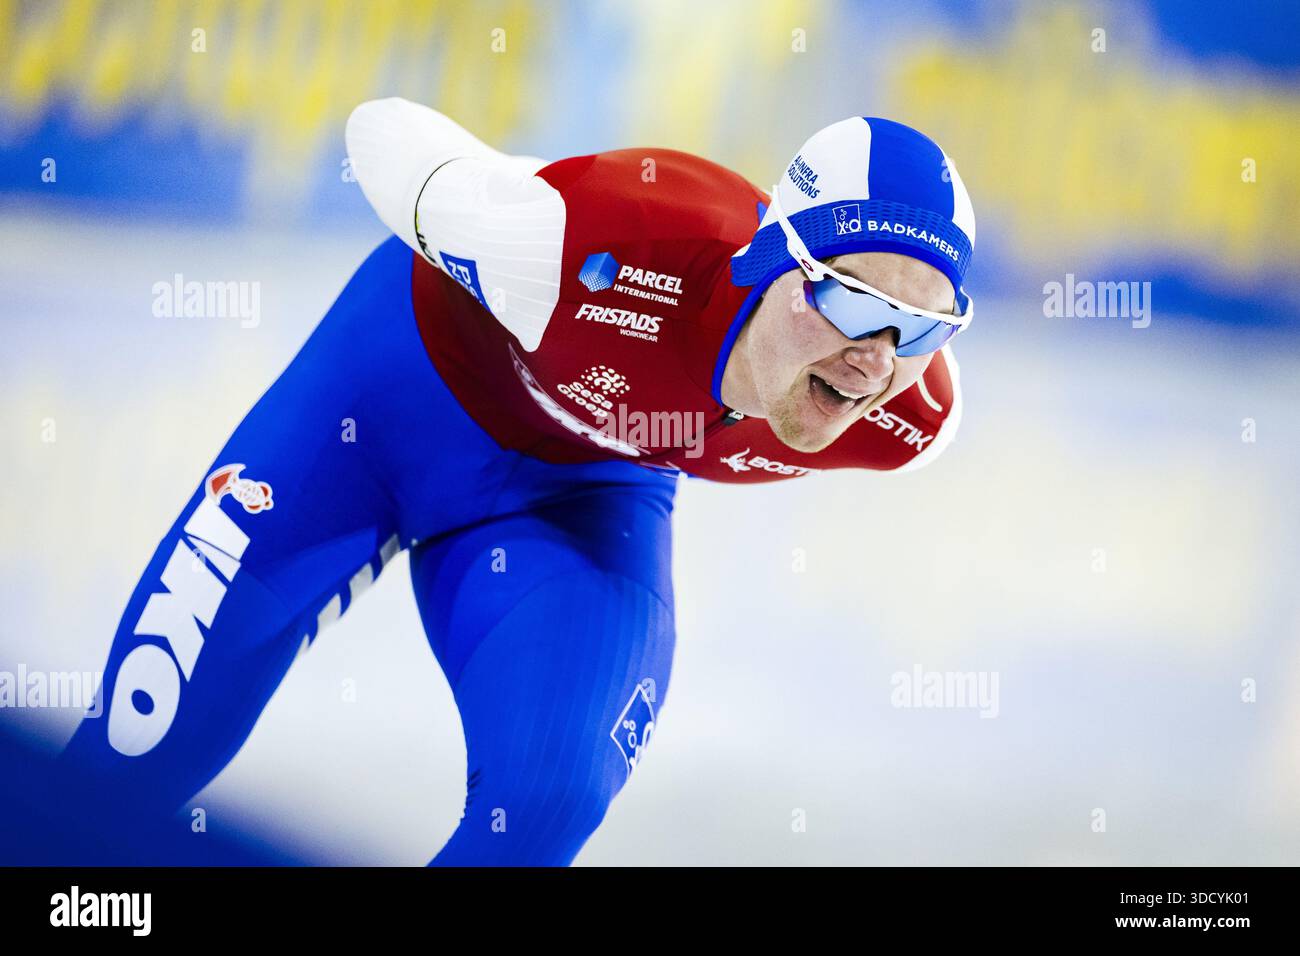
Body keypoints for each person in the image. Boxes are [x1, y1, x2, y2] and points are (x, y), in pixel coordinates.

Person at [57, 99, 976, 865]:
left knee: (546, 803)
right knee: (131, 756)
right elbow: (382, 129)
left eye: (924, 329)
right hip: (377, 415)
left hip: (582, 499)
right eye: (855, 302)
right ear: (777, 261)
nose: (875, 362)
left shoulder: (909, 421)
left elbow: (894, 363)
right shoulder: (593, 246)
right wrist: (469, 210)